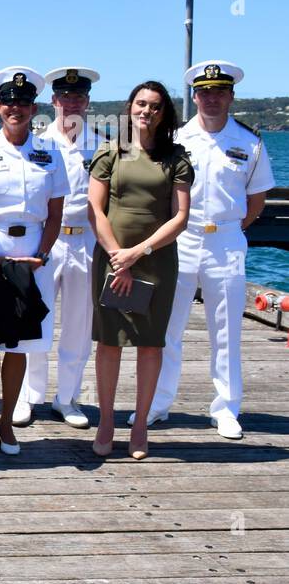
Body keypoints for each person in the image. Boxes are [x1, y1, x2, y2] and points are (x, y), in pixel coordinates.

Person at [136, 61, 274, 440]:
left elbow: (257, 199)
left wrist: (230, 229)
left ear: (230, 96)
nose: (211, 98)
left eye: (219, 92)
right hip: (182, 238)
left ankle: (226, 408)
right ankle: (158, 403)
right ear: (194, 96)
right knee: (167, 326)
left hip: (226, 240)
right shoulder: (178, 139)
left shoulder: (251, 142)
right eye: (204, 92)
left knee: (226, 330)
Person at [0, 67, 68, 456]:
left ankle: (8, 422)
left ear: (33, 107)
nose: (16, 109)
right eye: (9, 103)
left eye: (23, 103)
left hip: (33, 255)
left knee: (18, 343)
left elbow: (56, 212)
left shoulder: (50, 152)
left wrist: (41, 255)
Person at [88, 81, 193, 459]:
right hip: (112, 258)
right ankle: (105, 422)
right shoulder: (110, 153)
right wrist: (118, 254)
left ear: (164, 114)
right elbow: (95, 210)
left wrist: (140, 251)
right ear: (129, 107)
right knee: (110, 342)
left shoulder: (176, 158)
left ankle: (140, 424)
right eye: (140, 104)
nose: (146, 111)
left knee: (150, 344)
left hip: (157, 259)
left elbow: (180, 216)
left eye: (155, 106)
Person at [14, 67, 106, 429]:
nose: (71, 103)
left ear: (86, 102)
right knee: (33, 320)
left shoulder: (103, 145)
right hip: (45, 241)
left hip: (85, 240)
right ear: (52, 102)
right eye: (64, 97)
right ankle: (26, 395)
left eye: (78, 97)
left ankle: (67, 397)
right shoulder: (35, 142)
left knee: (79, 325)